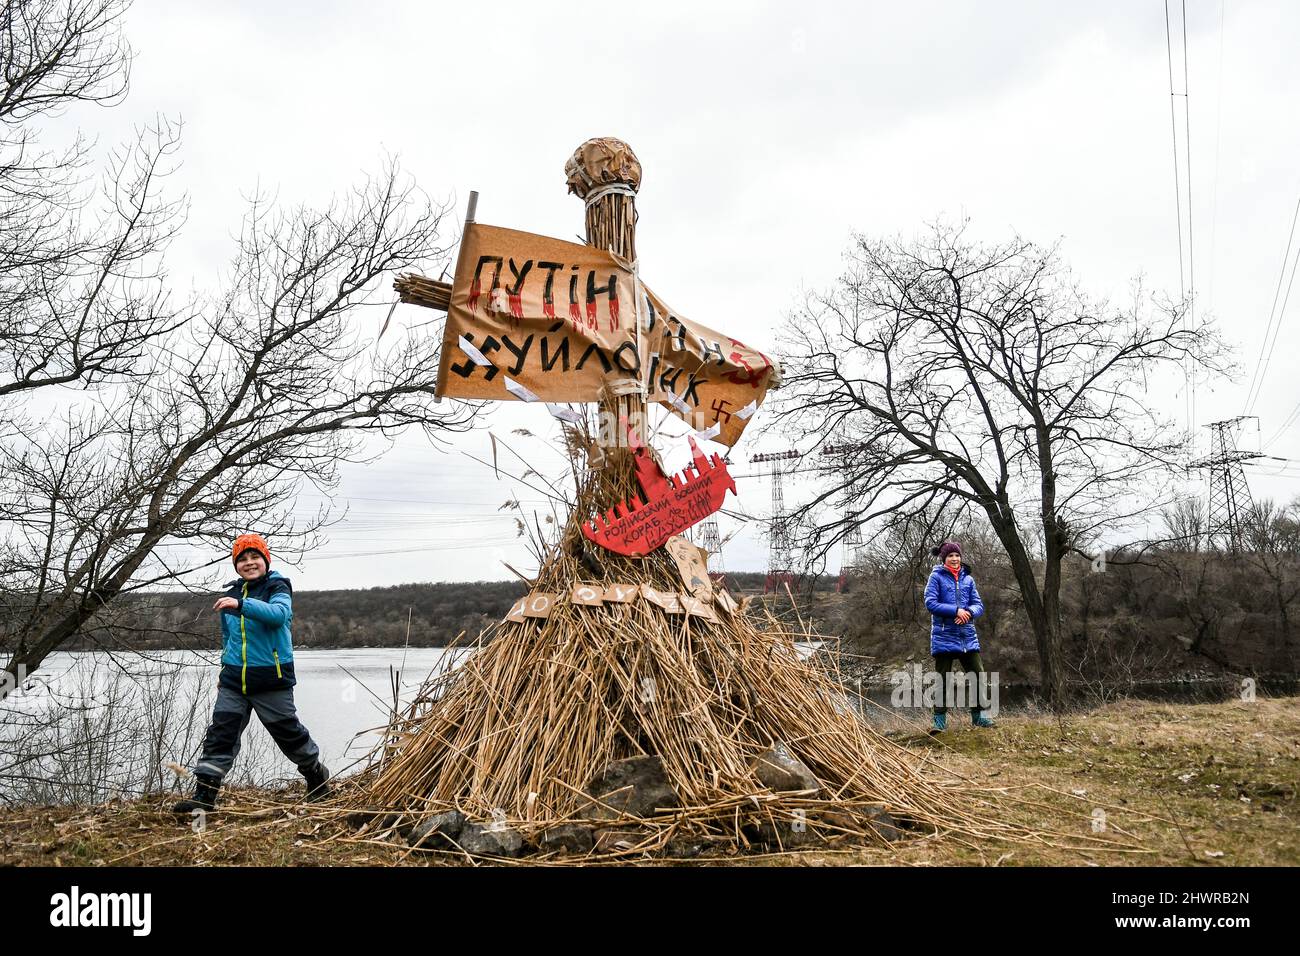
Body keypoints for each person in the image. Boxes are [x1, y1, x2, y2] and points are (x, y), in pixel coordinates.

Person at [173, 533, 331, 815]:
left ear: (265, 560)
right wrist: (224, 670)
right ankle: (204, 797)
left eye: (255, 557)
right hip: (234, 680)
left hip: (271, 678)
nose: (249, 562)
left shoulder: (278, 587)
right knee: (221, 734)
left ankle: (316, 775)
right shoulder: (231, 594)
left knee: (288, 733)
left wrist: (242, 605)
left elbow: (279, 615)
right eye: (242, 559)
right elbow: (229, 638)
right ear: (236, 565)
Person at [923, 540, 995, 732]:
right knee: (942, 680)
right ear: (944, 559)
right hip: (944, 636)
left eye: (957, 555)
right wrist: (956, 611)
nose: (954, 559)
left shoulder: (968, 579)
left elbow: (978, 605)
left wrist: (969, 612)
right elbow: (930, 603)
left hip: (967, 637)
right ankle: (939, 723)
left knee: (978, 676)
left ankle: (979, 717)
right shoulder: (936, 578)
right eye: (950, 556)